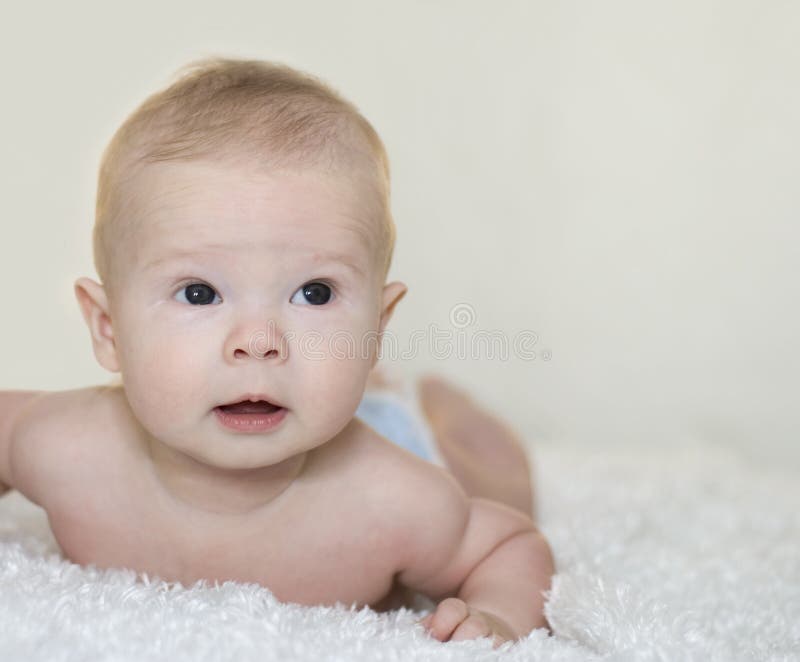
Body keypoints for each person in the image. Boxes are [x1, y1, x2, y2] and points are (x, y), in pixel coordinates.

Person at [0, 57, 554, 648]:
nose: (260, 342)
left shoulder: (392, 500)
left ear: (374, 327)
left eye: (313, 294)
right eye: (199, 293)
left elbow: (507, 545)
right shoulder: (62, 447)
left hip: (387, 435)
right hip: (323, 403)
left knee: (490, 480)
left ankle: (442, 408)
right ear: (109, 328)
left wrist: (497, 613)